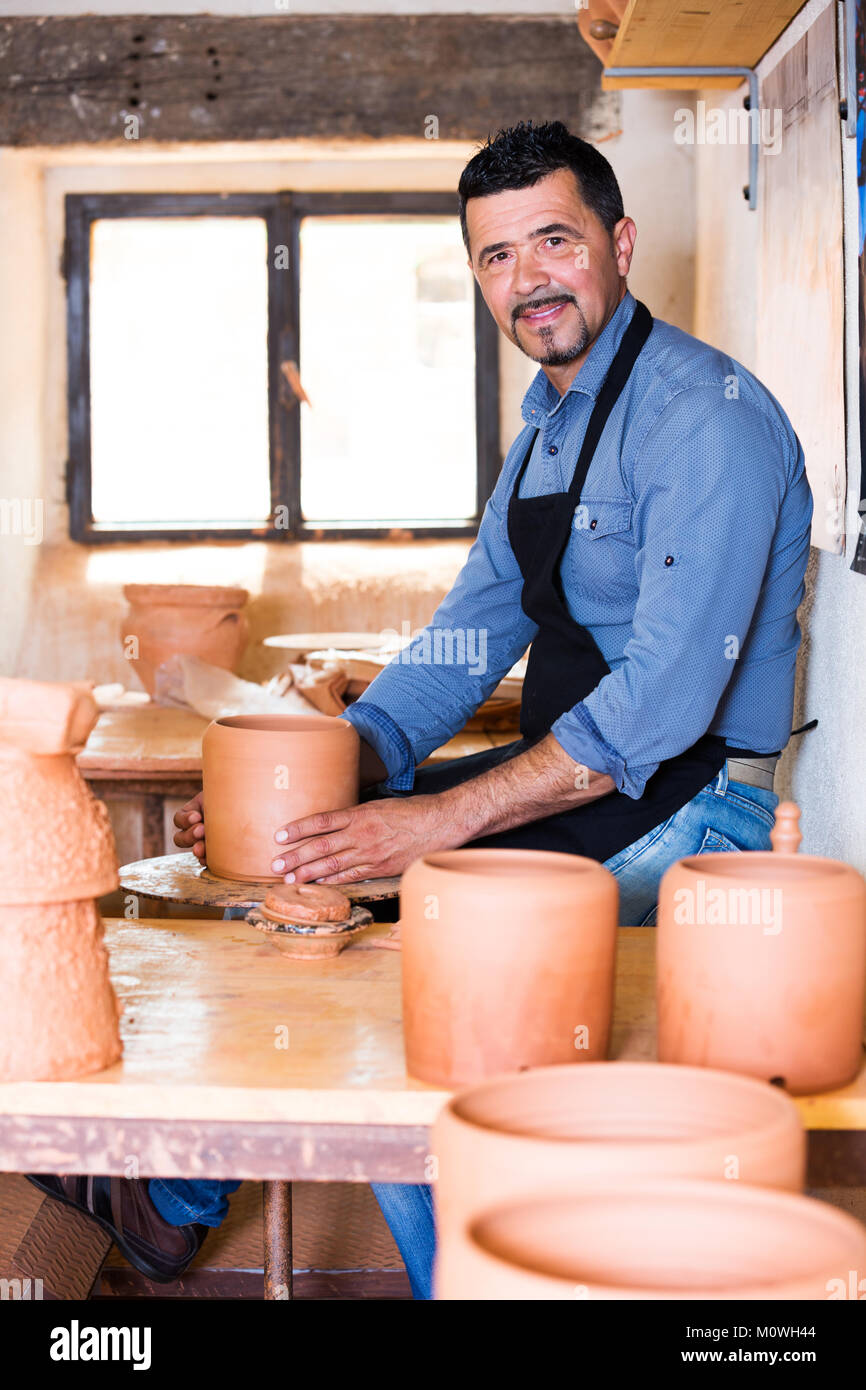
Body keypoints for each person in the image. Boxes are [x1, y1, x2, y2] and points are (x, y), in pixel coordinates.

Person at [30, 120, 812, 1297]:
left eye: (553, 240)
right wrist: (331, 773)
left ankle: (459, 1272)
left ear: (618, 242)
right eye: (495, 256)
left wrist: (434, 823)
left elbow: (658, 704)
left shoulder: (702, 416)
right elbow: (469, 628)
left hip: (691, 806)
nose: (527, 279)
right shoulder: (546, 428)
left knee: (423, 991)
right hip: (588, 775)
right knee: (300, 876)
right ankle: (171, 1196)